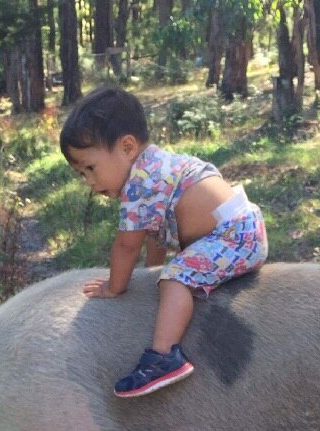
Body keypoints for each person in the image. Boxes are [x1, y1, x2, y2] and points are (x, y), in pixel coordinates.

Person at [59, 85, 268, 398]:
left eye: (91, 168)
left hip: (233, 237)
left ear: (127, 147)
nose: (89, 182)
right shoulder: (155, 168)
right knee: (169, 272)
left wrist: (115, 287)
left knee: (175, 277)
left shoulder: (139, 184)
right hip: (239, 227)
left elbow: (127, 245)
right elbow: (155, 233)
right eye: (81, 174)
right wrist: (150, 271)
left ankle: (164, 356)